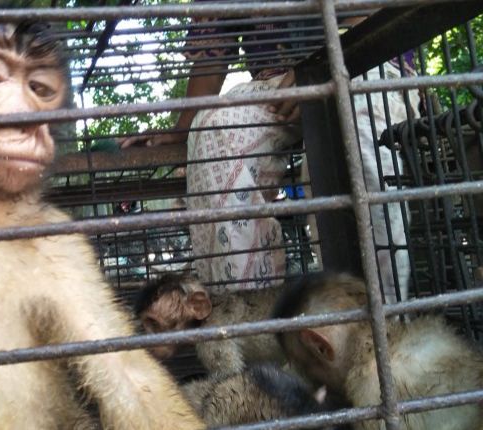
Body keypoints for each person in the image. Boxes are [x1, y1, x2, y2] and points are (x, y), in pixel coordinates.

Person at [120, 8, 416, 302]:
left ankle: (380, 312)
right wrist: (181, 129)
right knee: (212, 127)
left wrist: (322, 65)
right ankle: (251, 313)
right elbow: (213, 52)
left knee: (351, 138)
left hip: (365, 56)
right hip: (274, 84)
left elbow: (368, 12)